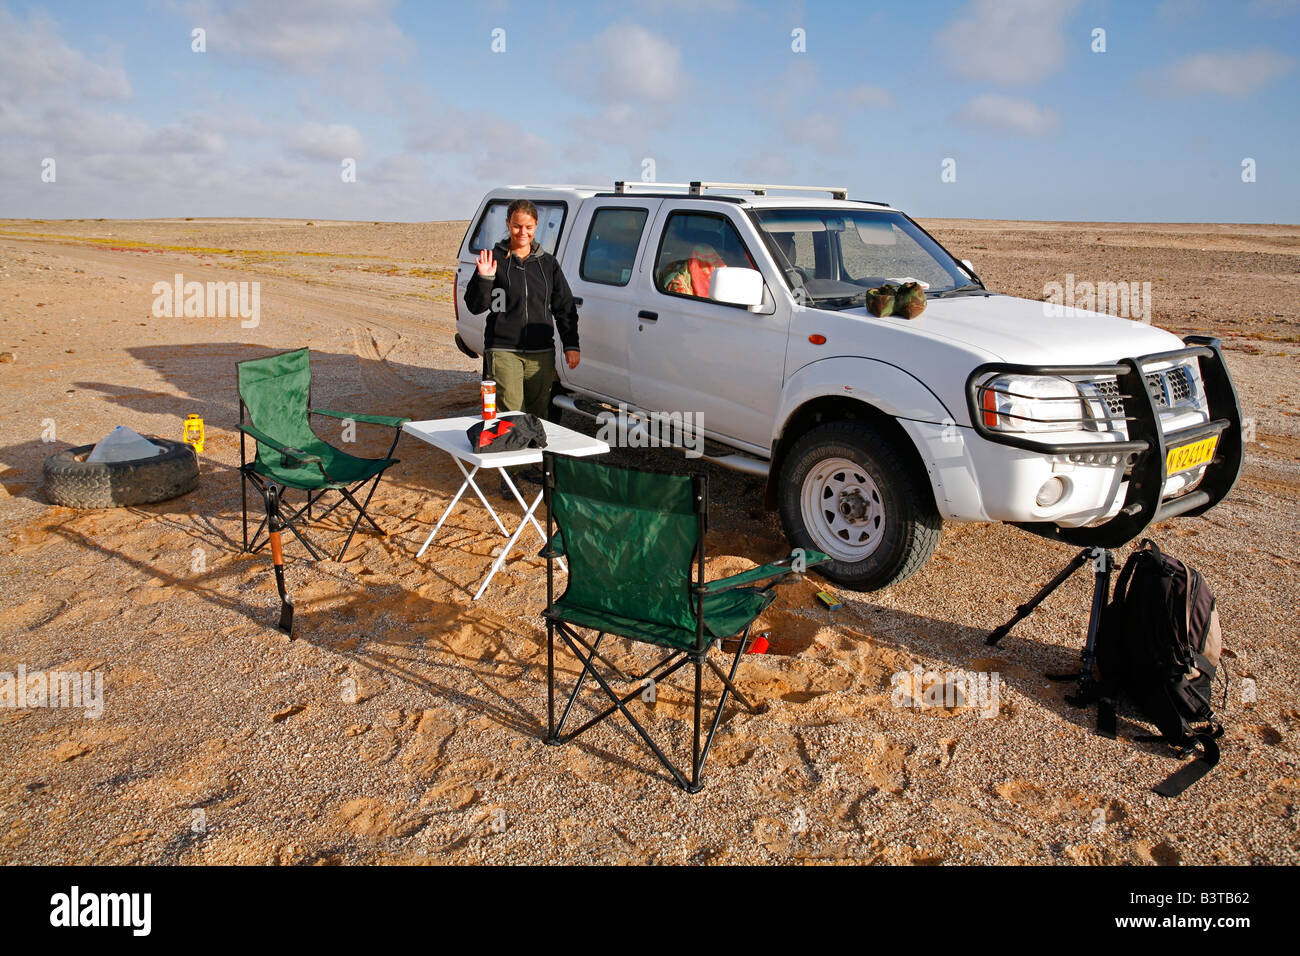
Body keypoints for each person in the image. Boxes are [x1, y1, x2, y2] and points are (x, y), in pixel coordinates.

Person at [463, 199, 580, 492]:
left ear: (536, 226)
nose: (522, 232)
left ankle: (528, 466)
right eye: (517, 226)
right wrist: (485, 278)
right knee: (510, 412)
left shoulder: (548, 263)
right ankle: (509, 475)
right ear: (507, 225)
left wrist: (571, 344)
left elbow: (564, 306)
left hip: (541, 351)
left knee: (537, 414)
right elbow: (476, 306)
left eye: (528, 227)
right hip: (504, 349)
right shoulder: (495, 259)